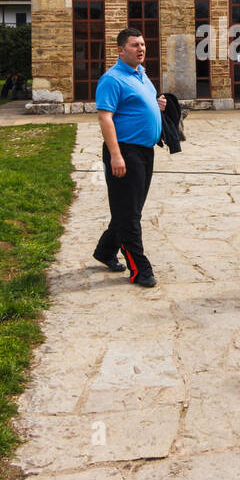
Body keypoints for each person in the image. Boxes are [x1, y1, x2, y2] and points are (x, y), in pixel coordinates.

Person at [92, 28, 167, 288]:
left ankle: (105, 251)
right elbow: (105, 117)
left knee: (130, 210)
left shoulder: (142, 75)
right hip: (124, 151)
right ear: (120, 50)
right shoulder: (112, 79)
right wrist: (115, 155)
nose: (141, 48)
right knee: (130, 214)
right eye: (135, 45)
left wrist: (158, 106)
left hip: (145, 151)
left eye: (143, 44)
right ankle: (140, 269)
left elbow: (137, 106)